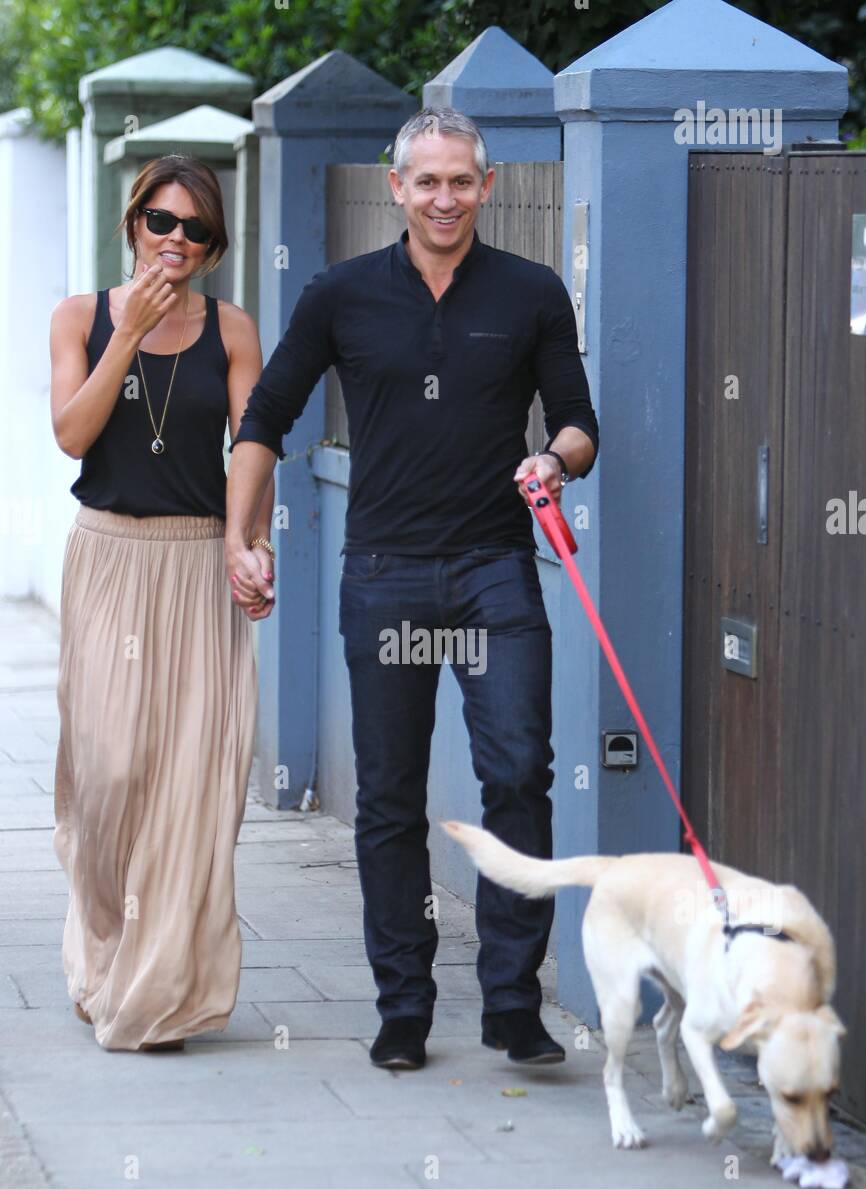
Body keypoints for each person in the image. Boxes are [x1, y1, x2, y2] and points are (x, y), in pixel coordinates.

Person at [226, 108, 599, 1070]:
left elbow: (579, 422)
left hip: (495, 572)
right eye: (425, 182)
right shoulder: (341, 294)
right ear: (396, 187)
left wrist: (552, 463)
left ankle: (515, 1002)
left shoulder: (532, 292)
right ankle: (403, 1007)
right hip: (385, 571)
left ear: (486, 185)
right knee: (390, 796)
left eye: (460, 182)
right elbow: (266, 413)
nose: (444, 198)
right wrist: (240, 533)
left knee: (518, 773)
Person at [49, 155, 275, 1051]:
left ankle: (162, 993)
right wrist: (127, 335)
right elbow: (72, 434)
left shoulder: (233, 328)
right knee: (107, 775)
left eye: (195, 230)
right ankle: (105, 949)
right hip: (109, 557)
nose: (175, 241)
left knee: (190, 785)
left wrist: (251, 545)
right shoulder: (79, 317)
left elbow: (253, 448)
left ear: (213, 248)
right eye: (161, 222)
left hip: (194, 565)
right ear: (132, 221)